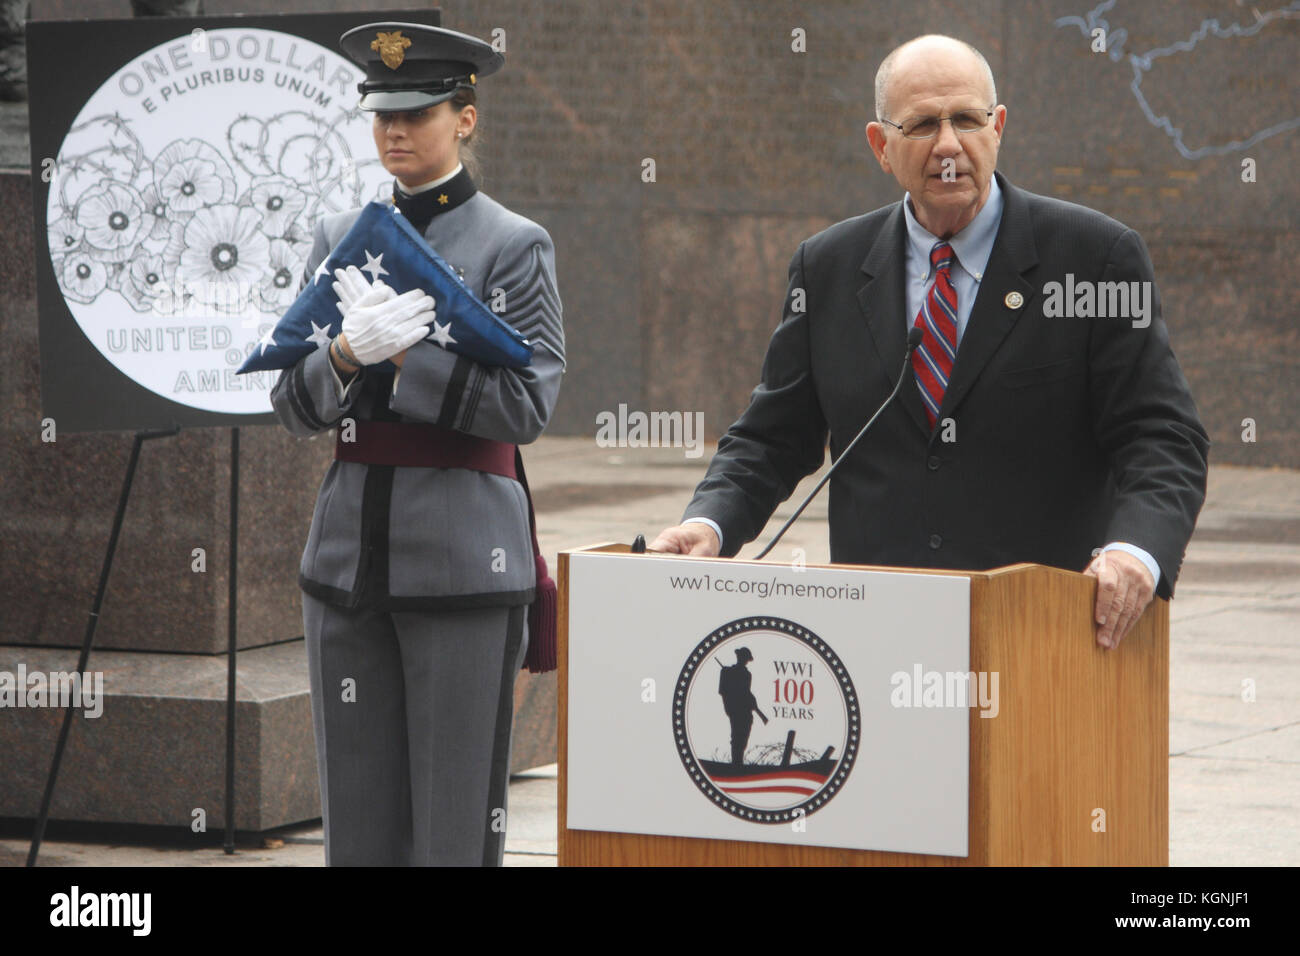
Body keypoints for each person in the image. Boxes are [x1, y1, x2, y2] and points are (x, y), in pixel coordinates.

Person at [651, 34, 1208, 652]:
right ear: (880, 146)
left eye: (966, 120)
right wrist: (709, 523)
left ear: (998, 128)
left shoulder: (1094, 258)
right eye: (921, 125)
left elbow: (1163, 437)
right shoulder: (828, 268)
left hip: (1050, 637)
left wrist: (1135, 552)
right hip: (878, 637)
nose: (948, 146)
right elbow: (772, 437)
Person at [270, 21, 564, 866]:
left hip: (464, 560)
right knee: (356, 827)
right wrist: (343, 354)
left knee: (452, 826)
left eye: (421, 111)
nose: (395, 130)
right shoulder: (339, 237)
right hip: (345, 560)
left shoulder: (513, 244)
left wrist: (412, 358)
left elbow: (528, 405)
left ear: (465, 118)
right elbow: (292, 404)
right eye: (383, 114)